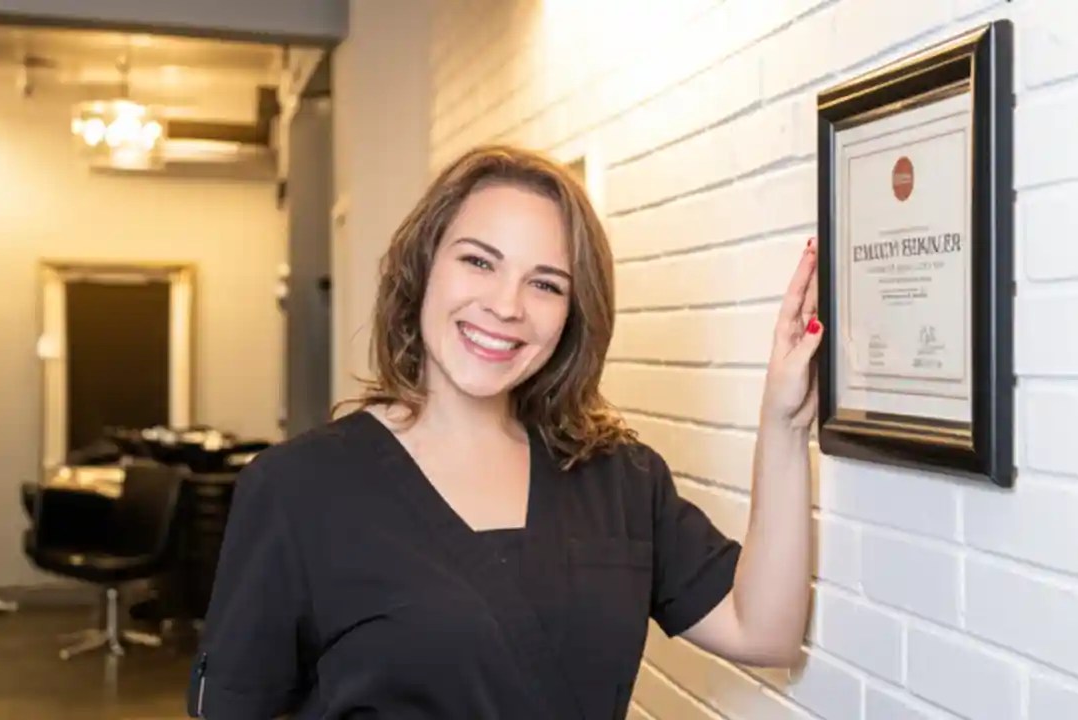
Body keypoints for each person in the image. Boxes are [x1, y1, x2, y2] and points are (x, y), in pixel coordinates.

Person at [187, 144, 823, 719]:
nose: (506, 305)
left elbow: (762, 630)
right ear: (423, 268)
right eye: (478, 262)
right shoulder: (298, 489)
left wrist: (784, 423)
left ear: (572, 315)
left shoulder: (618, 479)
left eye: (544, 284)